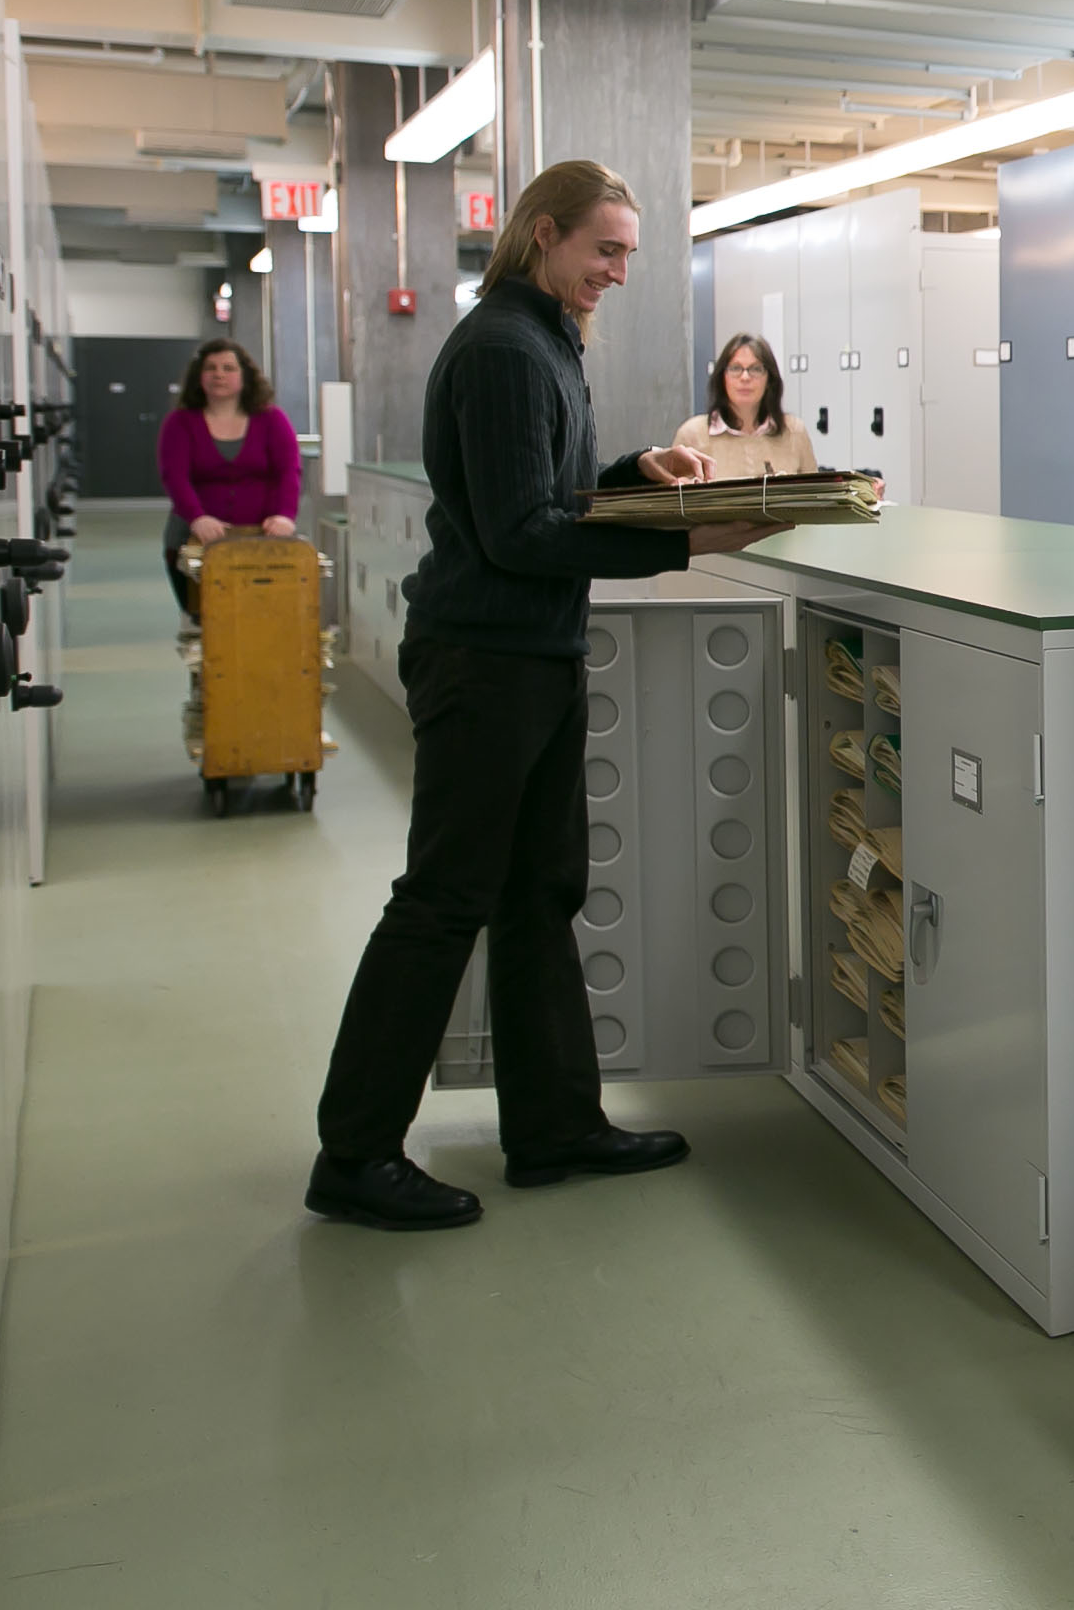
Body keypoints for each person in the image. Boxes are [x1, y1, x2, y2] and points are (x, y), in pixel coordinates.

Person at [305, 161, 774, 1232]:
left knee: (538, 893)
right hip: (486, 662)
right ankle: (356, 1152)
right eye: (604, 249)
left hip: (530, 653)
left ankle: (554, 1125)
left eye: (627, 254)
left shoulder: (544, 338)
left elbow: (538, 492)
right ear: (544, 233)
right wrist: (688, 542)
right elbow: (520, 533)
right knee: (443, 901)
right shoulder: (507, 349)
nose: (618, 271)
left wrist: (632, 470)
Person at [156, 338, 301, 622]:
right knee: (207, 623)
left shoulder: (272, 420)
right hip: (193, 539)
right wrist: (197, 518)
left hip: (262, 539)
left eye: (228, 368)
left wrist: (285, 515)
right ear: (199, 376)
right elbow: (174, 477)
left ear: (244, 376)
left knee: (261, 622)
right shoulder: (180, 423)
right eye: (210, 368)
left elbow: (289, 471)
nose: (219, 374)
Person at [674, 333, 819, 479]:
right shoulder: (692, 435)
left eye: (755, 369)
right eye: (735, 368)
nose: (745, 377)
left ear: (769, 380)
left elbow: (815, 491)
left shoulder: (794, 431)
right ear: (722, 377)